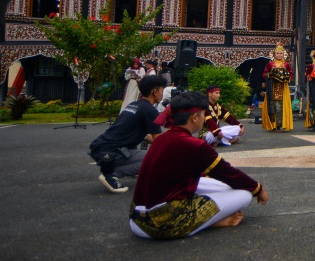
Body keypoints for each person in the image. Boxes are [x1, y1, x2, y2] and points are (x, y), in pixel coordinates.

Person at [130, 91, 268, 239]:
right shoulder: (195, 145)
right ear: (195, 117)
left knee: (223, 184)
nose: (204, 118)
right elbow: (228, 173)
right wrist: (257, 189)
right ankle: (211, 222)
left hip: (137, 220)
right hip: (162, 224)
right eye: (203, 114)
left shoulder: (161, 138)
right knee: (245, 194)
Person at [88, 75, 164, 193]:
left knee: (141, 144)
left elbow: (146, 136)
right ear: (154, 91)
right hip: (110, 152)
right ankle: (112, 174)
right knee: (154, 161)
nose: (162, 94)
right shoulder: (149, 110)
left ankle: (129, 168)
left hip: (99, 147)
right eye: (161, 91)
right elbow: (160, 142)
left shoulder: (134, 105)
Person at [261, 42, 294, 132]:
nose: (279, 55)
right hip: (272, 87)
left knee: (280, 107)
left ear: (284, 54)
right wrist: (270, 75)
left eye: (281, 53)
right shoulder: (270, 64)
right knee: (272, 105)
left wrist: (287, 77)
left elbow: (291, 74)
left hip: (282, 88)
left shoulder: (286, 65)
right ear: (274, 54)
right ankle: (272, 125)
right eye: (277, 53)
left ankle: (279, 126)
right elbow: (264, 73)